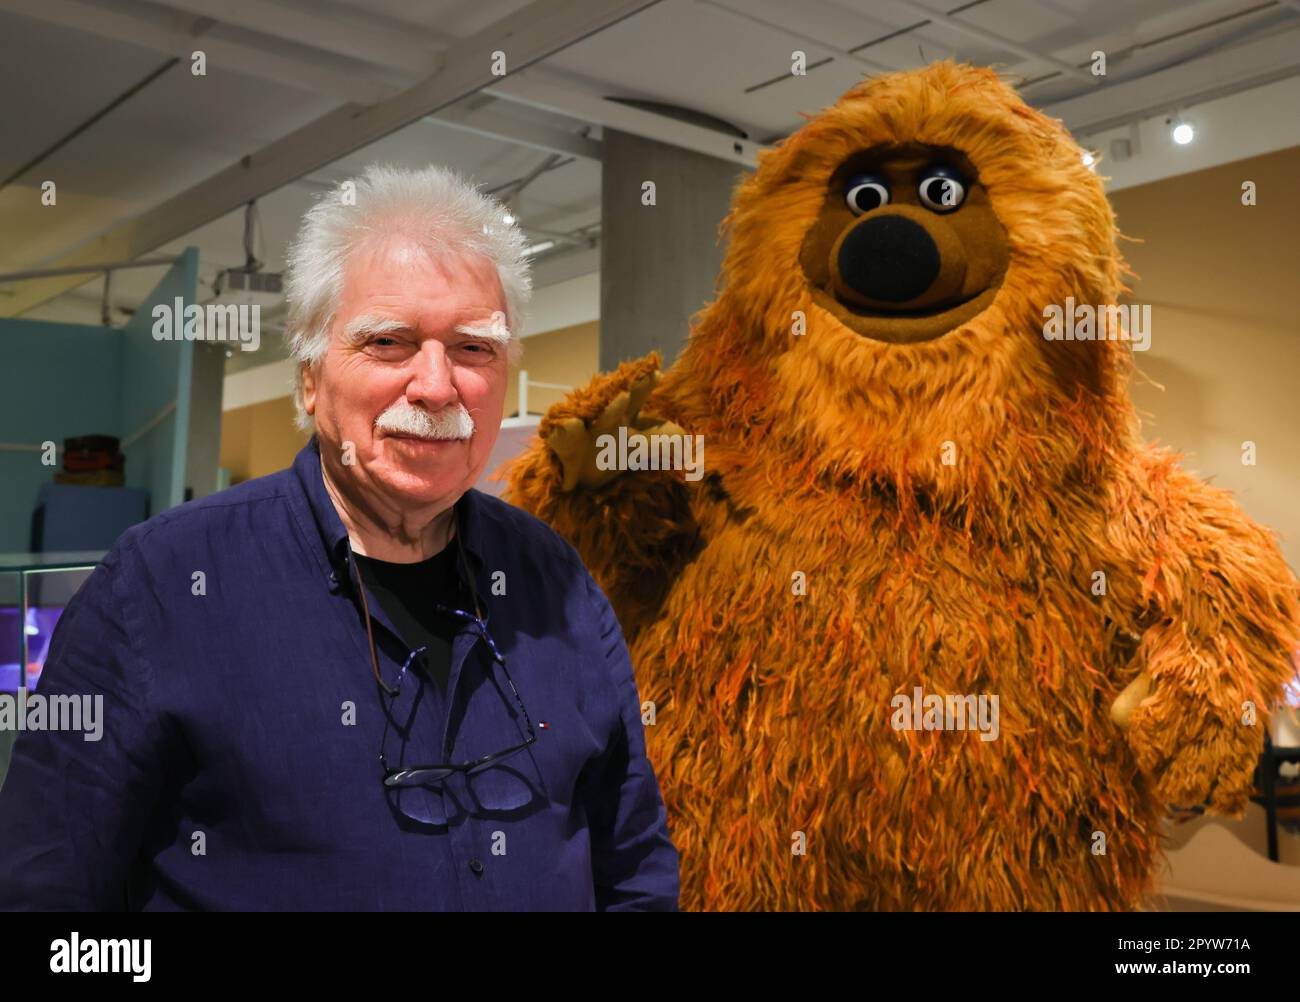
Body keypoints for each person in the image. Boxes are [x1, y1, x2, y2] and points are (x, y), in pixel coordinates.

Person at [0, 164, 680, 911]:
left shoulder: (554, 581)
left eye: (473, 348)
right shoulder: (161, 588)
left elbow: (635, 870)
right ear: (310, 380)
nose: (436, 386)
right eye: (388, 342)